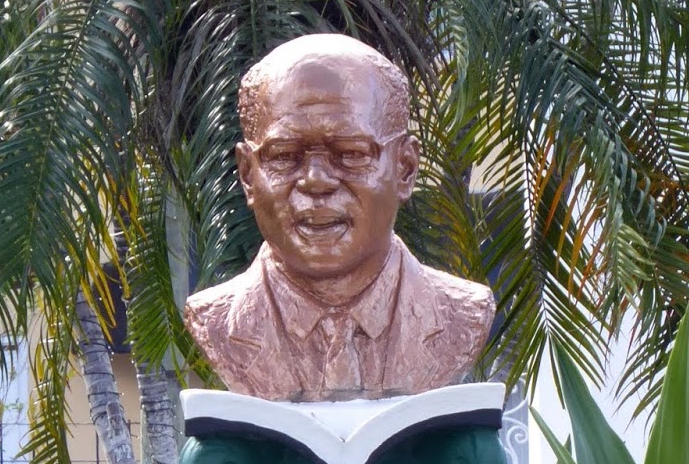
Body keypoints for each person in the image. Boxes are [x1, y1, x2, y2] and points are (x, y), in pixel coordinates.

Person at [184, 33, 495, 402]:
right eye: (284, 156)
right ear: (249, 175)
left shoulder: (462, 313)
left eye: (351, 153)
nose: (316, 180)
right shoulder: (216, 321)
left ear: (405, 169)